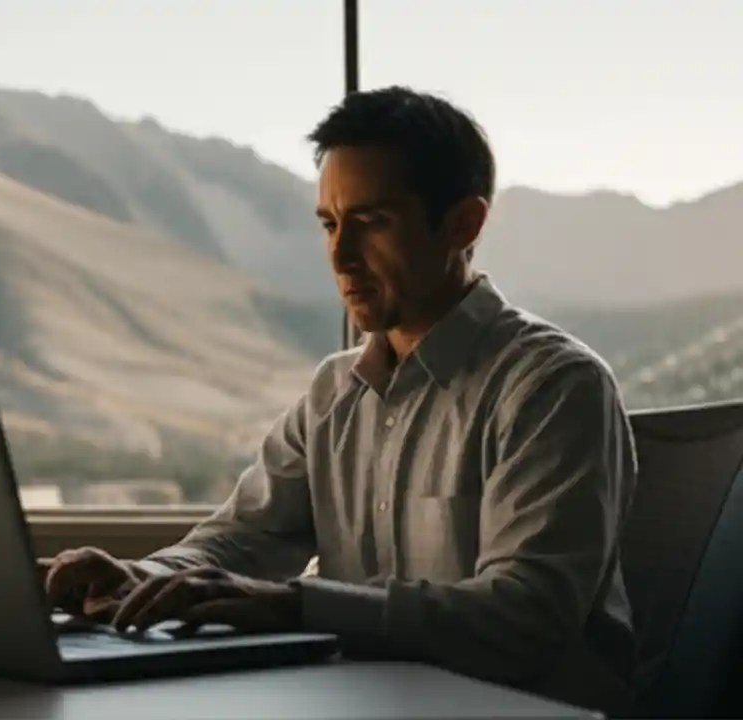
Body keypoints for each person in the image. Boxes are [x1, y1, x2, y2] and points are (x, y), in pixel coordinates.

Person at [44, 86, 637, 715]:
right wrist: (141, 578)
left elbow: (527, 617)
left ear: (464, 224)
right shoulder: (334, 392)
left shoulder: (553, 385)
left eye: (373, 221)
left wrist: (295, 603)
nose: (340, 254)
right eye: (330, 223)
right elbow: (239, 541)